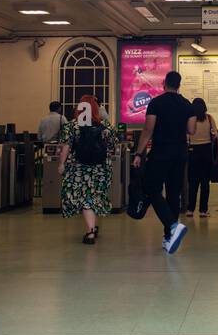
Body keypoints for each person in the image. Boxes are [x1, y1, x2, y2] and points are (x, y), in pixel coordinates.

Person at [132, 70, 196, 253]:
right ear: (179, 85)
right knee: (174, 194)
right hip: (180, 153)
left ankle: (172, 226)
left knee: (151, 188)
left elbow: (148, 129)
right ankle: (169, 237)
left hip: (161, 152)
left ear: (164, 83)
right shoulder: (187, 105)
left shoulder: (156, 103)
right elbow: (191, 130)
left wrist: (138, 153)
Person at [56, 95, 117, 244]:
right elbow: (112, 146)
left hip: (79, 167)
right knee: (94, 196)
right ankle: (93, 226)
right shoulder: (106, 126)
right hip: (101, 168)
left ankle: (90, 232)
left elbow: (66, 147)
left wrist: (62, 164)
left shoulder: (72, 126)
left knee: (85, 198)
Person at [186, 97, 218, 218]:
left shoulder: (190, 119)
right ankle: (203, 210)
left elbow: (186, 135)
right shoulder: (209, 118)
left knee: (193, 182)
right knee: (205, 182)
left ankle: (190, 209)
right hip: (206, 151)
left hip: (193, 151)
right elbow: (216, 135)